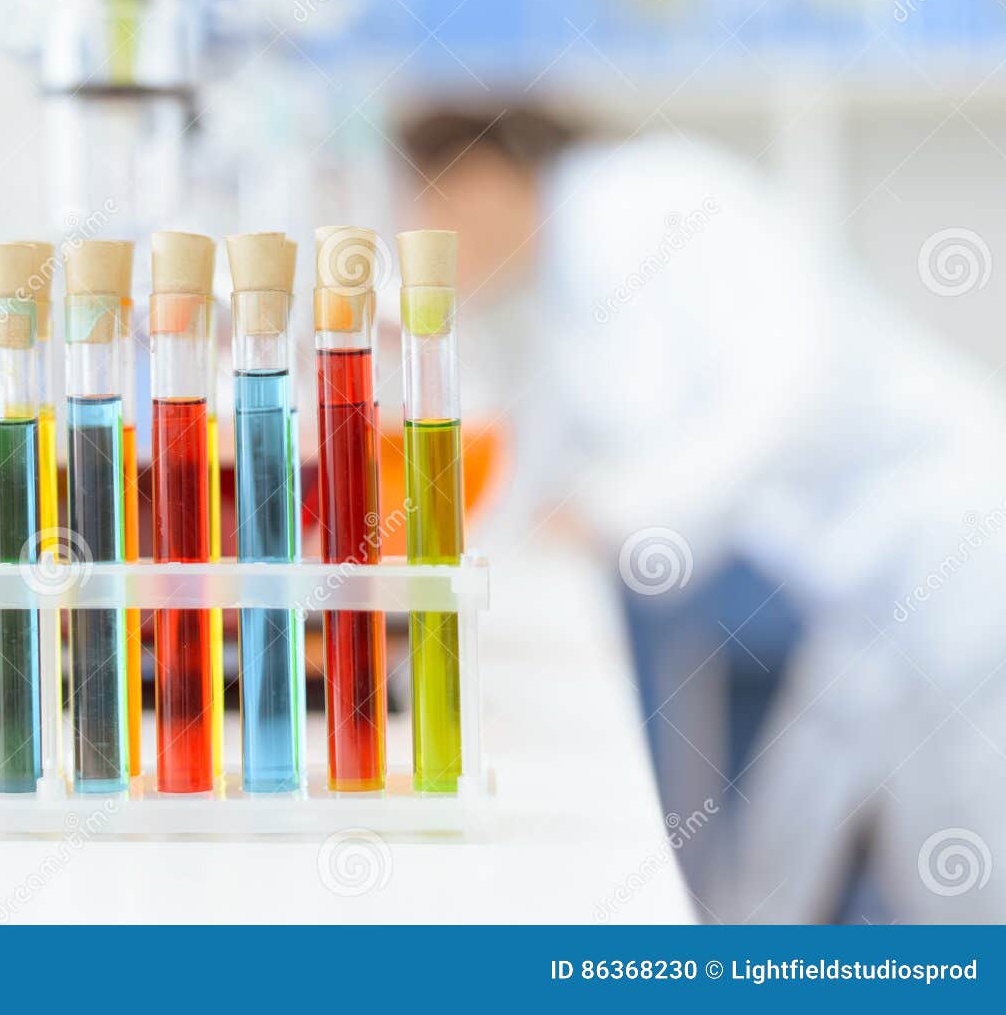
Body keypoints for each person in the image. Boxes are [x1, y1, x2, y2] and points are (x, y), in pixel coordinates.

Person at [399, 108, 1006, 922]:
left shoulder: (645, 198)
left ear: (482, 175)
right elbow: (539, 460)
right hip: (871, 588)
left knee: (958, 868)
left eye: (431, 206)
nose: (432, 237)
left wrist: (617, 508)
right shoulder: (563, 271)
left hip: (953, 546)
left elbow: (786, 385)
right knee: (793, 871)